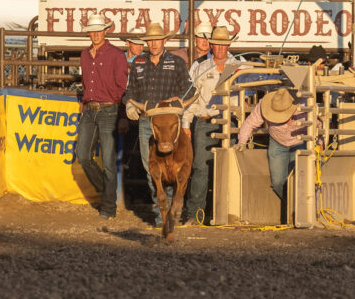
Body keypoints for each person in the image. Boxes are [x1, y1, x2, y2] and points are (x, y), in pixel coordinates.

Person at [124, 22, 193, 225]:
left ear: (165, 41)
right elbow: (131, 91)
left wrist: (178, 100)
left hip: (171, 124)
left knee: (175, 166)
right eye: (150, 40)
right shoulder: (138, 63)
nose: (154, 44)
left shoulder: (176, 62)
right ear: (146, 43)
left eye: (157, 40)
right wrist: (130, 105)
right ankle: (163, 214)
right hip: (149, 122)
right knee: (152, 169)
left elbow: (189, 89)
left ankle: (168, 215)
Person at [182, 25, 243, 223]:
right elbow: (192, 97)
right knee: (200, 167)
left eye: (224, 44)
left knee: (229, 169)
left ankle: (227, 212)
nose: (221, 48)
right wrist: (185, 123)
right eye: (217, 44)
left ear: (228, 45)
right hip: (205, 121)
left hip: (230, 122)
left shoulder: (240, 66)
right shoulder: (200, 67)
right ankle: (195, 214)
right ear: (212, 45)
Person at [73, 14, 128, 220]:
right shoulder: (85, 55)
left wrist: (122, 115)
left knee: (107, 160)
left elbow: (122, 87)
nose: (95, 34)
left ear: (106, 31)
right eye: (92, 30)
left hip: (110, 109)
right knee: (83, 156)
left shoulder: (116, 55)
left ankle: (108, 206)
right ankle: (108, 192)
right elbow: (87, 84)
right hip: (90, 109)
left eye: (99, 30)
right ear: (88, 32)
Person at [236, 87, 310, 202]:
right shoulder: (264, 105)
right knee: (277, 183)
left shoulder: (305, 103)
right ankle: (289, 206)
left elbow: (318, 124)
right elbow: (249, 123)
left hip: (300, 142)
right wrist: (242, 142)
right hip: (278, 142)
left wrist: (319, 143)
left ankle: (295, 209)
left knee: (300, 180)